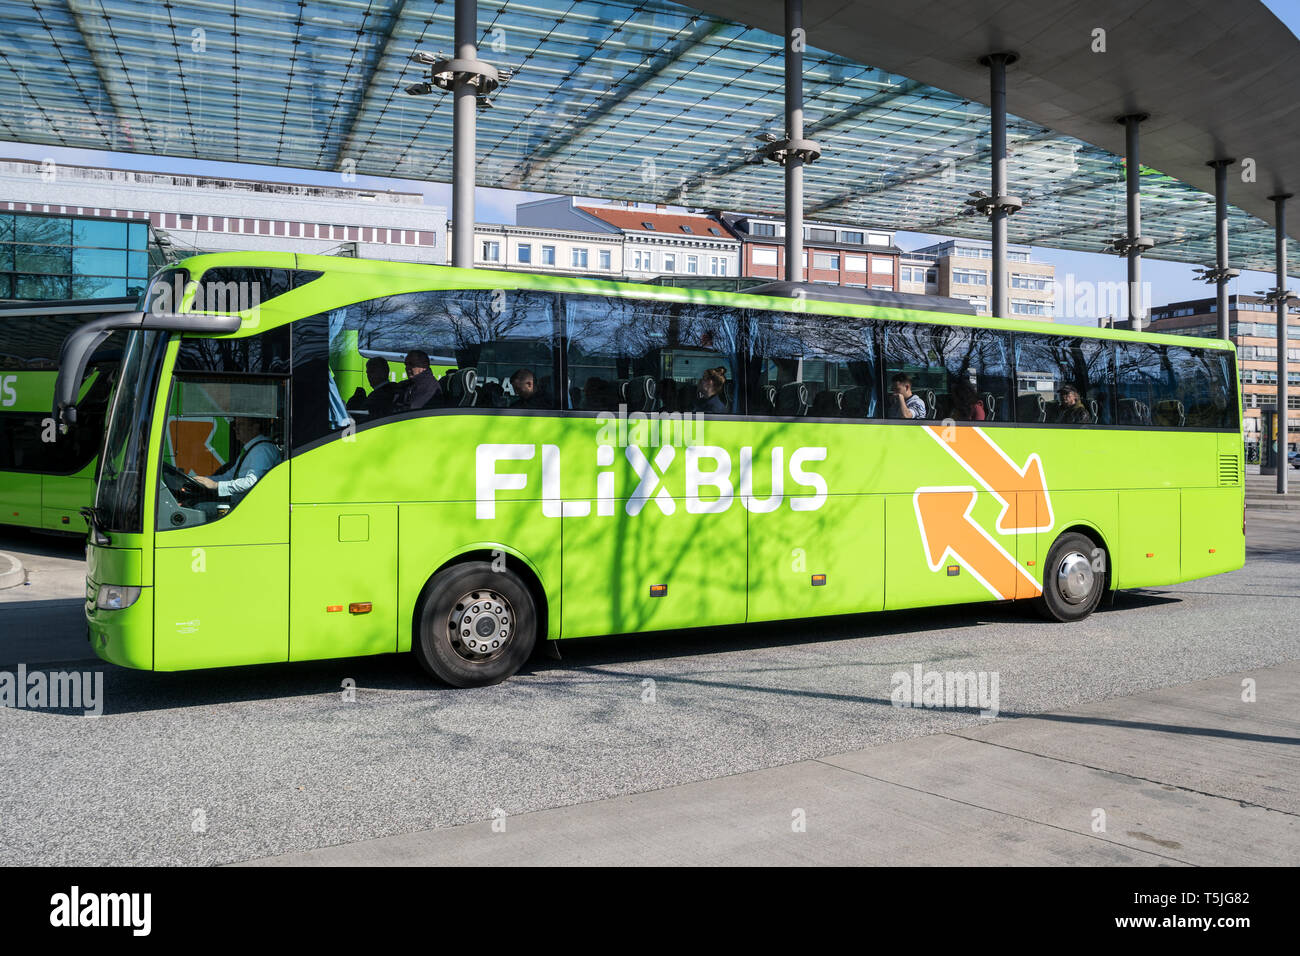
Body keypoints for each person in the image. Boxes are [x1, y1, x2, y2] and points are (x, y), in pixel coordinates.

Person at [192, 416, 281, 504]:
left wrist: (216, 485)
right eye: (236, 424)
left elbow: (251, 482)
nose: (236, 428)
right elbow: (229, 476)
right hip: (241, 504)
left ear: (255, 427)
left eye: (241, 424)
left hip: (250, 506)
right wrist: (203, 480)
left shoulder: (262, 450)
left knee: (199, 507)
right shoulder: (252, 448)